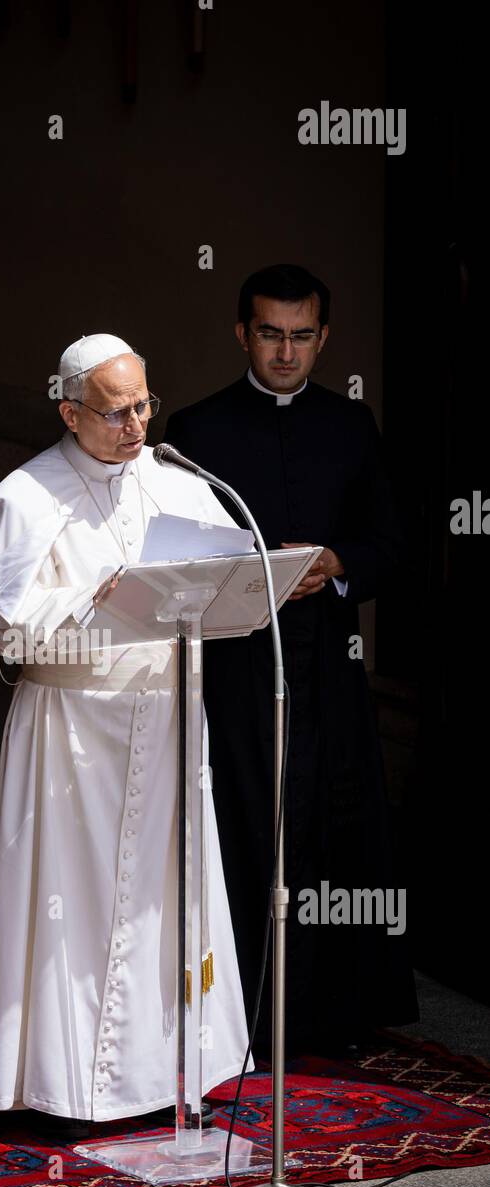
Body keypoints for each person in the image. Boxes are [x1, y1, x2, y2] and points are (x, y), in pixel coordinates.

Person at [0, 333, 252, 1132]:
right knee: (65, 908)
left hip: (168, 717)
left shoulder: (179, 483)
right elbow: (4, 635)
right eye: (116, 412)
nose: (135, 426)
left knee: (163, 907)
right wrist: (96, 596)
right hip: (73, 733)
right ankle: (59, 1087)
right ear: (69, 411)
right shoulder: (27, 497)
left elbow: (227, 580)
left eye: (144, 404)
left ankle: (167, 1075)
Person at [164, 265, 418, 1056]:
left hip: (329, 671)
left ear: (323, 339)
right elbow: (172, 552)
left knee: (334, 824)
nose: (285, 352)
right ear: (243, 333)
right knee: (244, 824)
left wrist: (336, 562)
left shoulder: (352, 426)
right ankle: (236, 1015)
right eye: (270, 334)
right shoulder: (197, 431)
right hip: (240, 673)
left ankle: (334, 1013)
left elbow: (390, 543)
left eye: (301, 336)